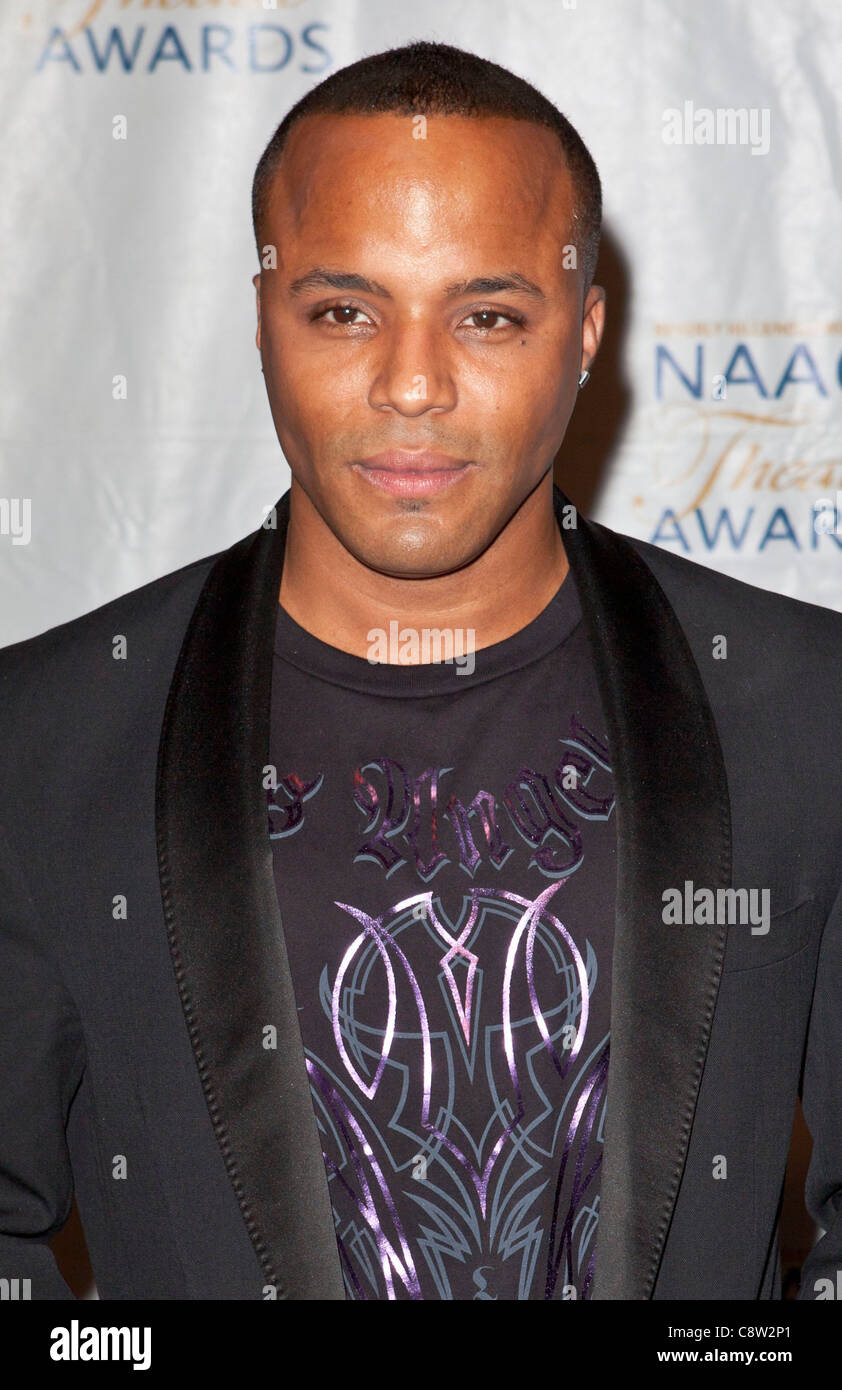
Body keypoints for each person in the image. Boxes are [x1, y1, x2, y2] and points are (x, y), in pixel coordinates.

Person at [1, 39, 840, 1303]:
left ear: (583, 335)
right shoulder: (47, 741)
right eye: (344, 309)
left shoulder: (800, 707)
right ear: (263, 320)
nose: (410, 383)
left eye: (487, 315)